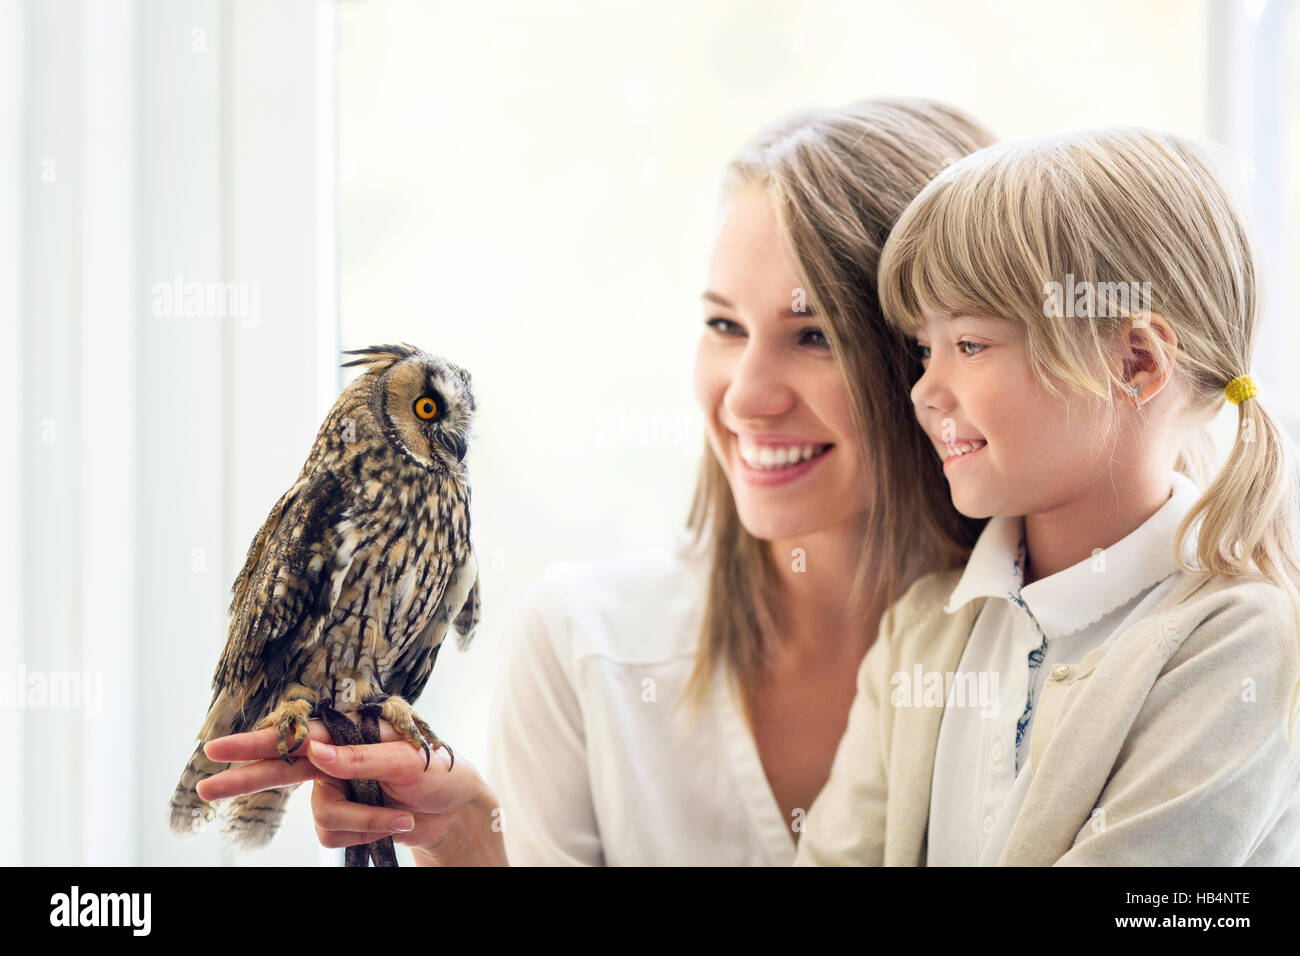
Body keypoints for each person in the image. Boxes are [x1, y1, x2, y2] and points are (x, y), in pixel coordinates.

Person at [196, 98, 994, 865]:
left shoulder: (1053, 653)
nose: (747, 396)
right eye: (724, 325)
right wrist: (467, 835)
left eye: (814, 334)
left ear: (938, 352)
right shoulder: (585, 646)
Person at [794, 128, 1300, 866]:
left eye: (969, 346)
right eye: (924, 350)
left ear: (1135, 362)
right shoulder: (924, 630)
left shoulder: (1239, 640)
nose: (924, 390)